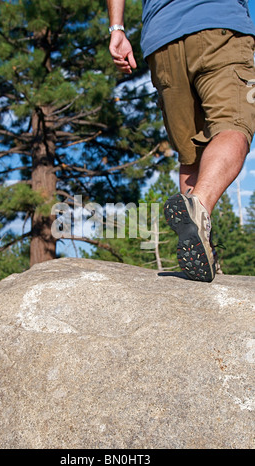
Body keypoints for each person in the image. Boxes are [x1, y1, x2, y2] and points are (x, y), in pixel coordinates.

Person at [107, 0, 255, 282]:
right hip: (220, 24)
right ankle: (198, 206)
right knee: (234, 125)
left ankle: (203, 249)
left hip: (162, 41)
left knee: (191, 156)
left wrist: (117, 29)